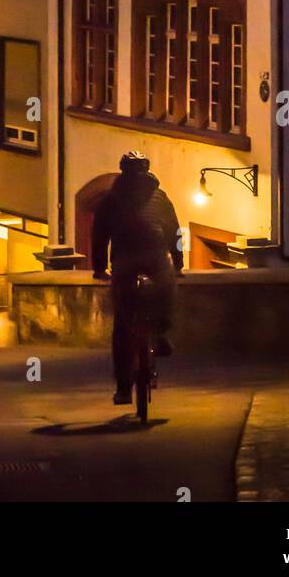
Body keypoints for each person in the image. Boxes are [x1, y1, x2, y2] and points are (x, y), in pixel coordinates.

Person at [92, 151, 184, 405]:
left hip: (124, 261)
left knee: (122, 325)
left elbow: (99, 235)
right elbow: (174, 231)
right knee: (167, 288)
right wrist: (178, 264)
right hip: (155, 257)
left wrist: (99, 268)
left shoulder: (110, 199)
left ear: (123, 170)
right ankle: (163, 333)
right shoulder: (160, 196)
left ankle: (123, 390)